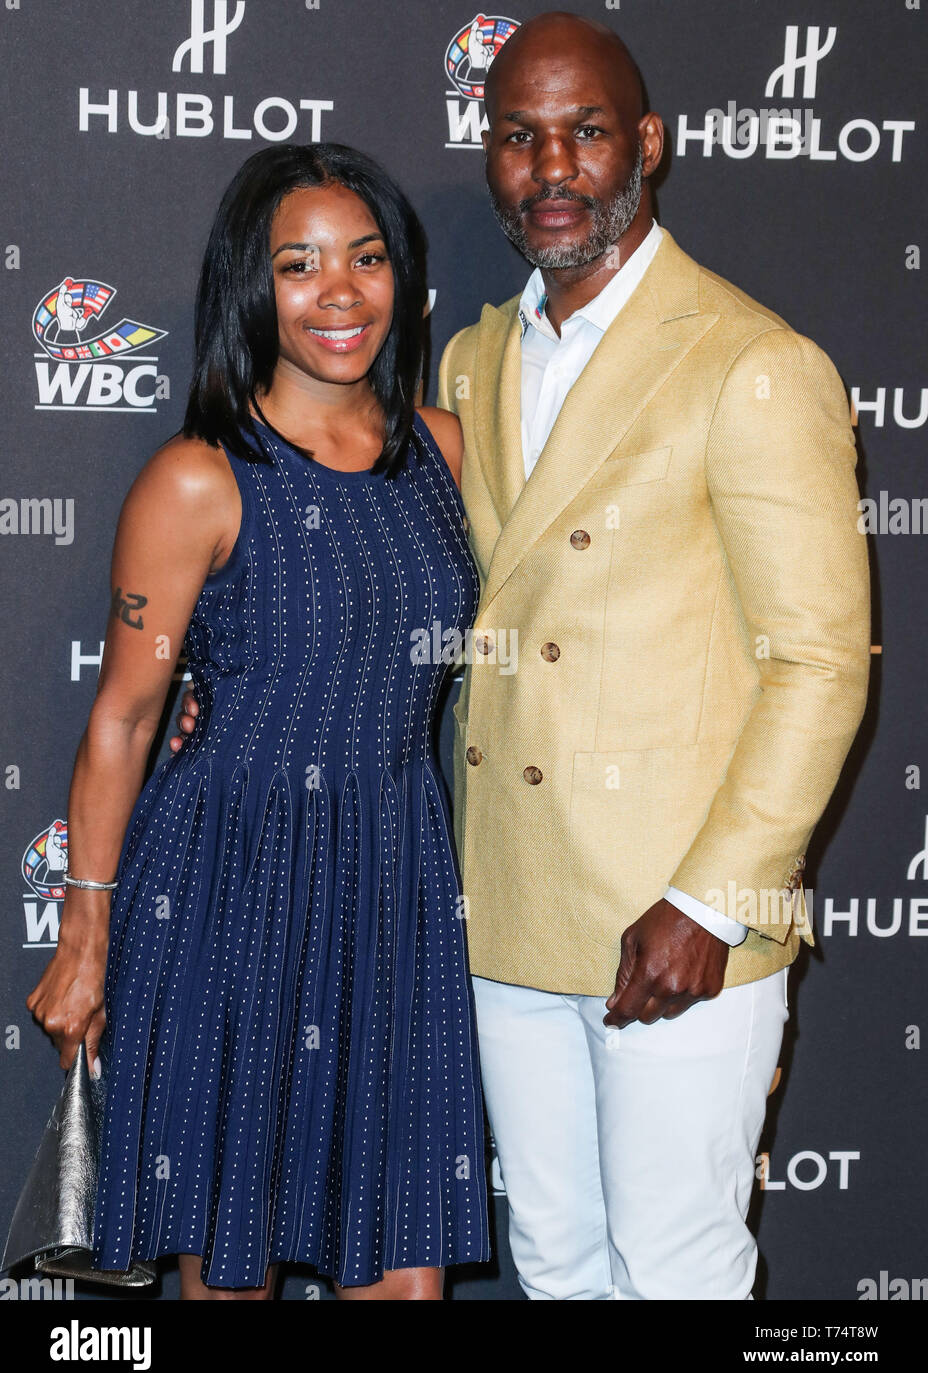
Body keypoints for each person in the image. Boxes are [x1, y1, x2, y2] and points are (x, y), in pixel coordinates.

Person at [435, 12, 870, 1299]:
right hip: (508, 910)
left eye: (583, 131)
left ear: (649, 145)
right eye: (520, 136)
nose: (551, 164)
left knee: (675, 1268)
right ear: (489, 155)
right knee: (557, 1261)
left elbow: (819, 660)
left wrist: (712, 902)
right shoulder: (470, 362)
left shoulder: (751, 362)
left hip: (672, 920)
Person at [25, 142, 489, 1301]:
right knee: (228, 1269)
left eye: (367, 258)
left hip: (392, 885)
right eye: (300, 264)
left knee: (402, 1269)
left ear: (403, 277)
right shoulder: (199, 477)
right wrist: (85, 936)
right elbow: (125, 720)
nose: (340, 292)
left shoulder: (447, 450)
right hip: (233, 879)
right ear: (252, 284)